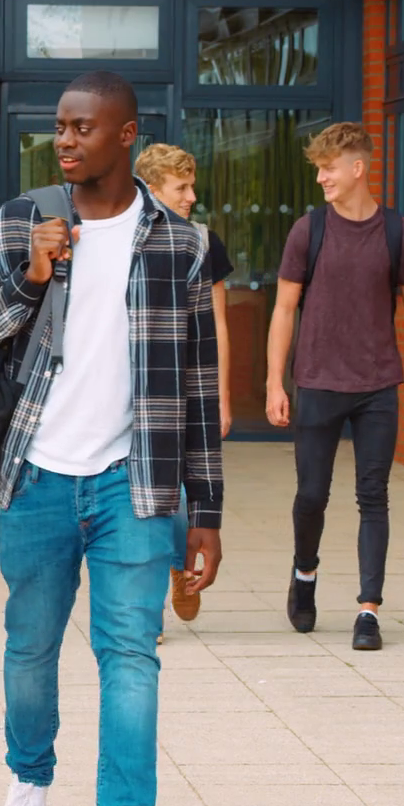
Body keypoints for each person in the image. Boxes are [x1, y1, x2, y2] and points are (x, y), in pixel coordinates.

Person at [0, 72, 223, 806]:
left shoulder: (182, 244)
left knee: (131, 651)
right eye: (59, 128)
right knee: (30, 644)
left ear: (127, 134)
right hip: (35, 474)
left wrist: (206, 512)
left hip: (134, 481)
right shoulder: (19, 223)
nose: (65, 141)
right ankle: (29, 778)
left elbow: (198, 388)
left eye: (82, 129)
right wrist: (28, 280)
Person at [265, 121, 404, 652]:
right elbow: (285, 308)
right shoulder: (308, 230)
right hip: (317, 380)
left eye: (328, 168)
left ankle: (368, 611)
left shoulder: (396, 232)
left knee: (373, 496)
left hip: (378, 385)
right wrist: (275, 381)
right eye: (318, 168)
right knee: (312, 496)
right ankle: (305, 574)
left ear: (357, 168)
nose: (321, 177)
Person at [133, 143, 235, 632]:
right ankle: (152, 590)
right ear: (152, 191)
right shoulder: (123, 242)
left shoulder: (201, 242)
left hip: (181, 394)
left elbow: (216, 326)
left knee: (173, 491)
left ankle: (175, 564)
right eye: (182, 187)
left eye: (192, 184)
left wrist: (222, 399)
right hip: (135, 393)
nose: (192, 195)